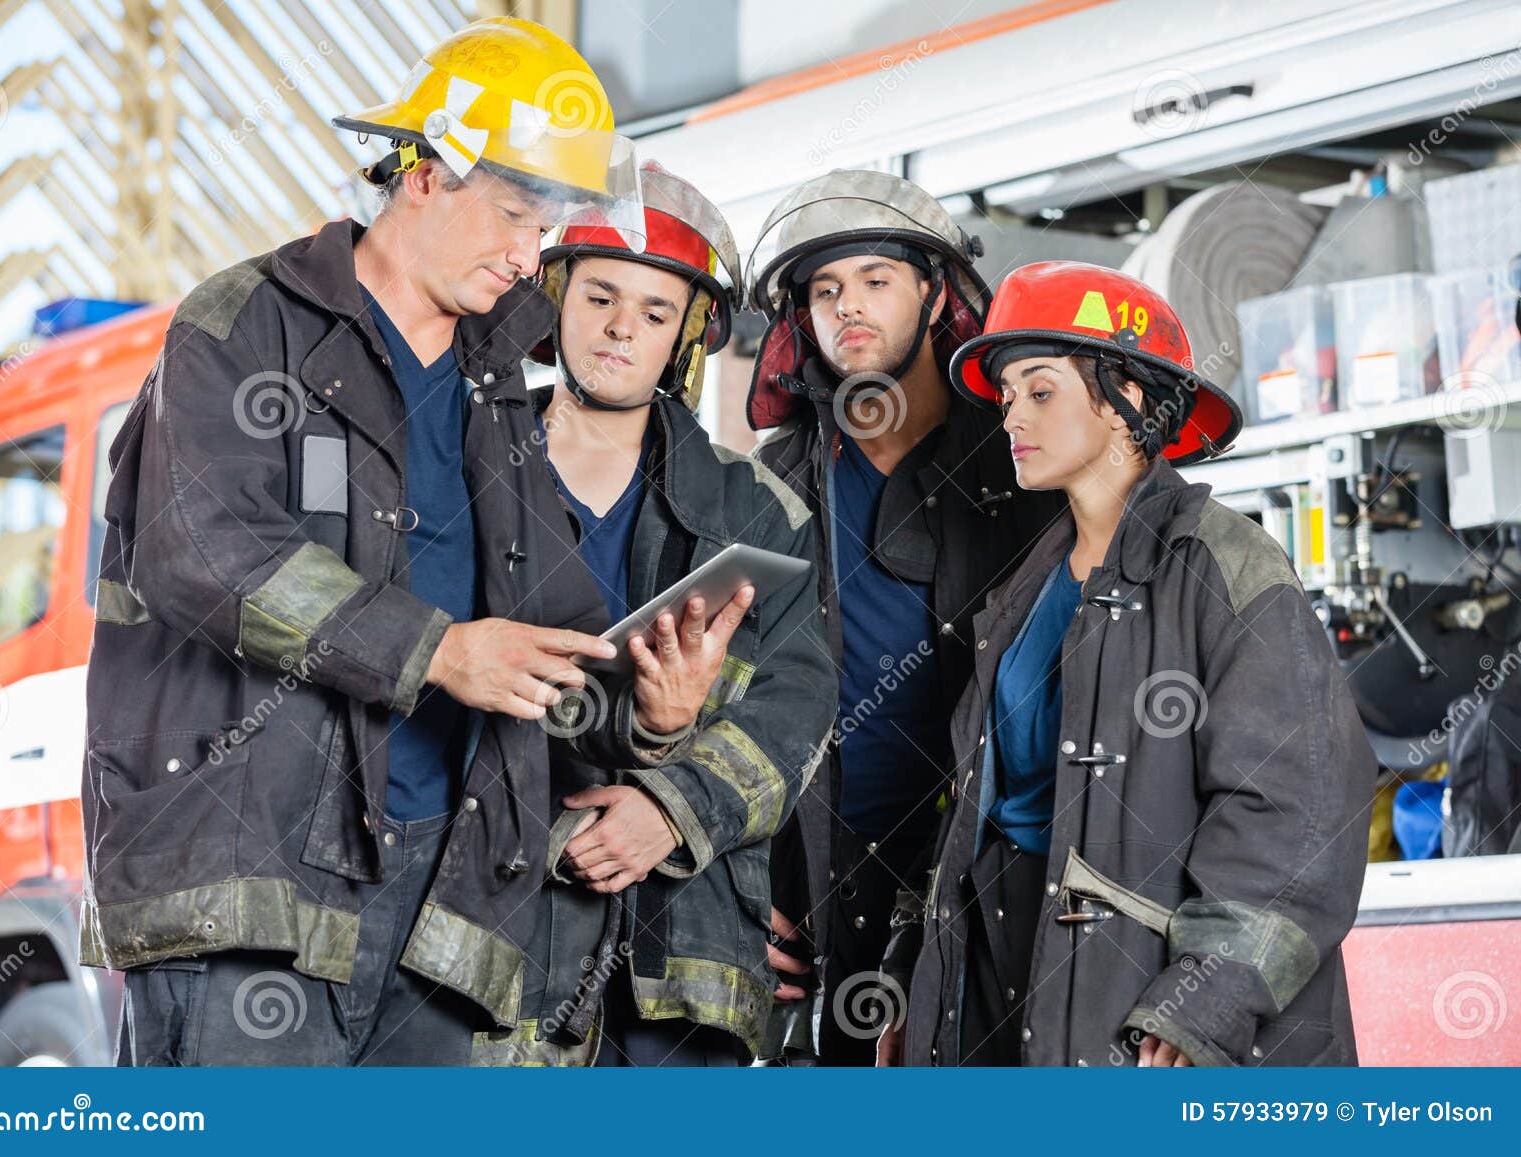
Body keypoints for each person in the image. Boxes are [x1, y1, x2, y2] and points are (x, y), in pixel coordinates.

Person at [82, 18, 654, 1065]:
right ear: (426, 174)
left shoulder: (496, 387)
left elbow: (549, 625)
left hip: (445, 893)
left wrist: (648, 700)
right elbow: (202, 548)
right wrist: (436, 649)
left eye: (548, 226)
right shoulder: (250, 324)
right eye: (516, 213)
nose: (532, 256)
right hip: (254, 884)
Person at [891, 260, 1375, 1066]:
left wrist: (1205, 1002)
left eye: (1040, 390)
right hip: (1005, 981)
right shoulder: (1021, 589)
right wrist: (924, 985)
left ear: (1128, 401)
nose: (1013, 414)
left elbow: (1302, 813)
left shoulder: (1227, 567)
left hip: (1154, 1007)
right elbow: (974, 818)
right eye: (1008, 393)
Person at [470, 161, 835, 1065]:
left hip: (683, 961)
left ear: (688, 338)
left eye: (656, 311)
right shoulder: (464, 468)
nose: (621, 327)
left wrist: (671, 806)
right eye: (599, 295)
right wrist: (646, 729)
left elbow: (799, 709)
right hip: (488, 939)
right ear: (553, 300)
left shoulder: (756, 512)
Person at [743, 170, 1064, 1064]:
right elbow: (737, 692)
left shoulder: (1024, 465)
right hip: (830, 875)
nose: (848, 308)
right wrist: (762, 877)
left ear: (933, 293)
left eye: (875, 281)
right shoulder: (768, 485)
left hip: (989, 873)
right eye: (824, 290)